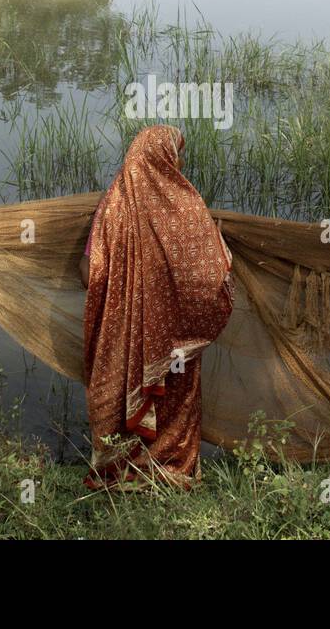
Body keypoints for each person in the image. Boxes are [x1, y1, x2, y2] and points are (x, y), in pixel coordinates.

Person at [80, 124, 234, 489]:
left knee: (116, 394)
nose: (180, 162)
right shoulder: (186, 207)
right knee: (175, 400)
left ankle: (119, 474)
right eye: (177, 154)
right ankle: (170, 471)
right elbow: (213, 276)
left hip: (123, 340)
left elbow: (89, 275)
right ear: (165, 158)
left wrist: (127, 297)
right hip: (172, 348)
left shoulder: (112, 207)